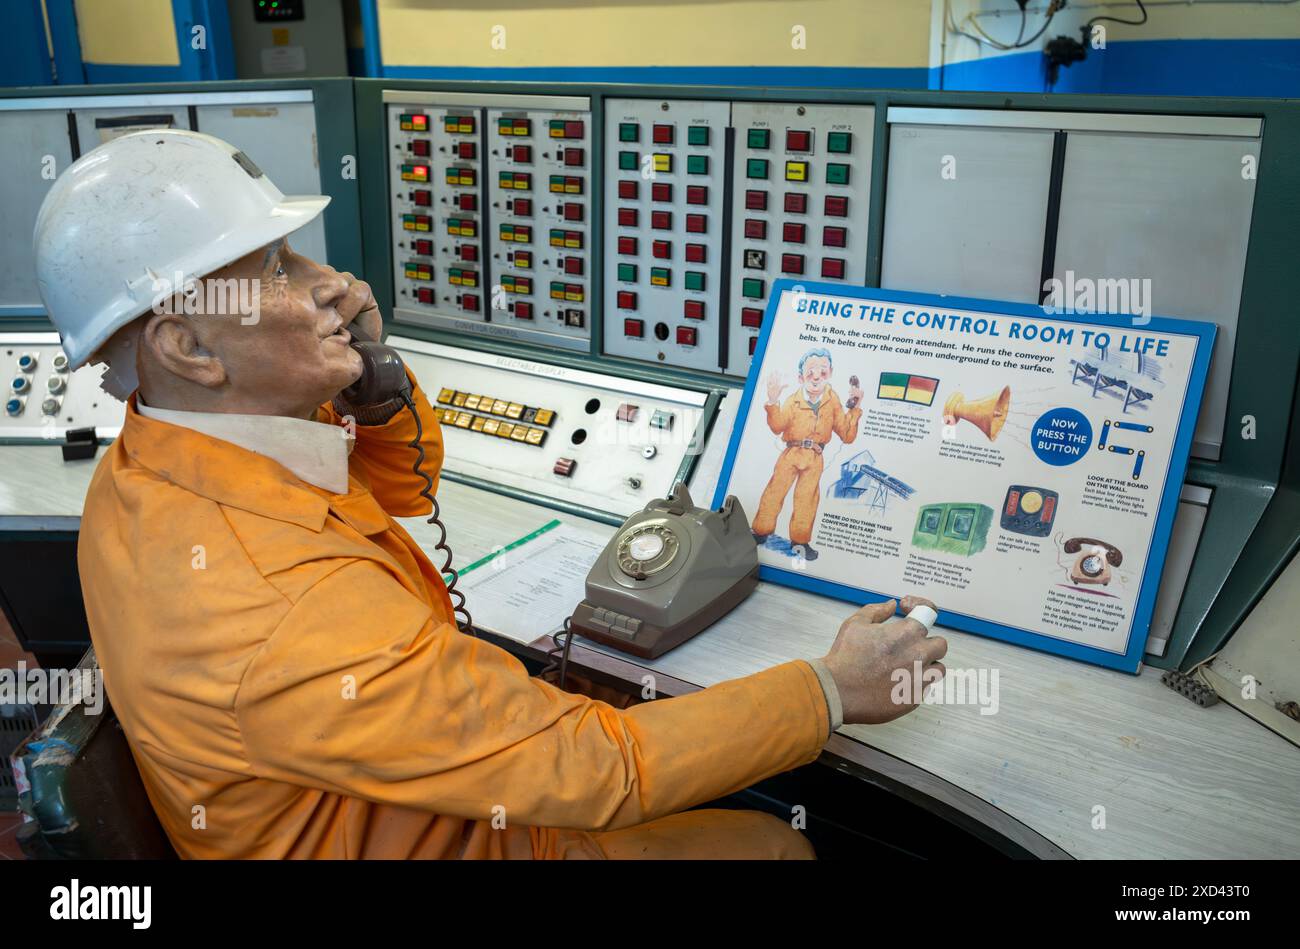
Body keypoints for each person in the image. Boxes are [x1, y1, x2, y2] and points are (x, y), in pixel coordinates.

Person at [33, 129, 947, 859]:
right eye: (278, 269)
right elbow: (598, 768)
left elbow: (396, 491)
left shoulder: (150, 467)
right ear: (190, 347)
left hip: (388, 801)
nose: (335, 284)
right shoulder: (280, 608)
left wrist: (374, 384)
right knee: (768, 844)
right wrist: (831, 689)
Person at [752, 348, 864, 560]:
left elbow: (847, 435)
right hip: (791, 453)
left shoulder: (833, 401)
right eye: (810, 370)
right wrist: (773, 401)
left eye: (822, 371)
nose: (816, 376)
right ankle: (760, 531)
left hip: (814, 458)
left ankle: (800, 542)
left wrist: (855, 409)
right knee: (774, 492)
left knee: (807, 500)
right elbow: (777, 426)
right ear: (800, 376)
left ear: (830, 373)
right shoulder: (793, 400)